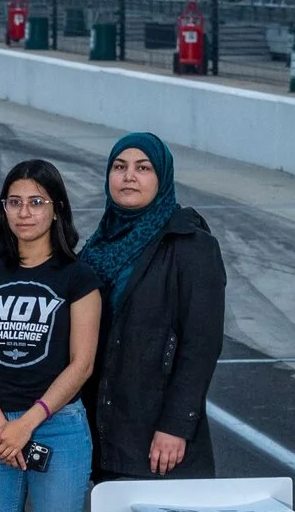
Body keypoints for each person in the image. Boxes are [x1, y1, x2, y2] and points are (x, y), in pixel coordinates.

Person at [0, 159, 101, 512]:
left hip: (57, 426)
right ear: (3, 208)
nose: (24, 212)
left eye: (37, 202)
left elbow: (82, 364)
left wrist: (27, 424)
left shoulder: (79, 277)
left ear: (57, 210)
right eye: (14, 202)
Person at [82, 132, 226, 482]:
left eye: (143, 168)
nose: (129, 176)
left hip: (159, 442)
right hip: (104, 433)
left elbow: (201, 346)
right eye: (119, 167)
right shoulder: (96, 247)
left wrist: (176, 426)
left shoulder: (191, 246)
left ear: (162, 178)